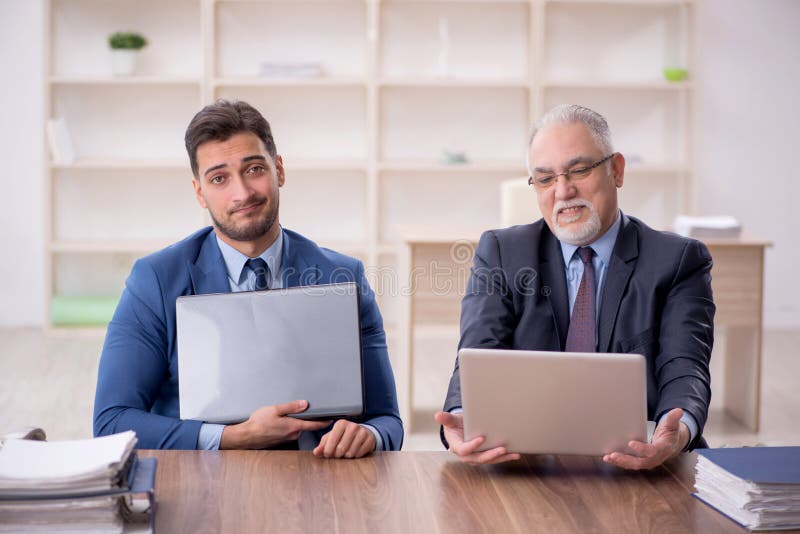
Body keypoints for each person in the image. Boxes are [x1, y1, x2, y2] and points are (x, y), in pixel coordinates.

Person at [94, 99, 403, 456]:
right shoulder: (156, 280)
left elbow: (387, 420)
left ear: (279, 170)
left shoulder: (343, 277)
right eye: (219, 178)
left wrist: (369, 436)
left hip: (319, 482)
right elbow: (111, 422)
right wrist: (233, 438)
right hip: (203, 485)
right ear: (200, 192)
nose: (242, 193)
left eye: (254, 169)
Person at [435, 104, 714, 469]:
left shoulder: (678, 261)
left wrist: (674, 433)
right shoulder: (502, 253)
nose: (563, 192)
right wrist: (463, 414)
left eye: (579, 170)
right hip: (526, 461)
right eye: (546, 178)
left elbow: (685, 366)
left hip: (643, 463)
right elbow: (477, 350)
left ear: (616, 170)